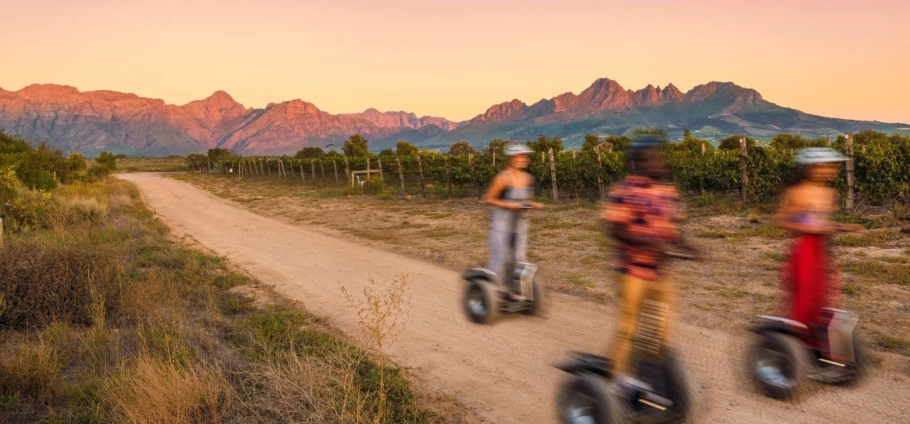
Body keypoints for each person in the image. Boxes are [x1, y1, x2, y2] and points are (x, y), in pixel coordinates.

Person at [601, 134, 682, 395]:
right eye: (651, 157)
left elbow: (672, 229)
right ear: (637, 162)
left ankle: (647, 374)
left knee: (662, 327)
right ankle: (617, 380)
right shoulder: (623, 191)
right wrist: (650, 244)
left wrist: (686, 245)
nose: (657, 161)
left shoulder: (667, 192)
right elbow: (615, 230)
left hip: (659, 272)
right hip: (631, 270)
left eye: (659, 156)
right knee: (629, 327)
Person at [775, 148, 862, 348]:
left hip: (822, 249)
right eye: (824, 166)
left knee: (824, 294)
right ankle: (796, 341)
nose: (829, 170)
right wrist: (809, 227)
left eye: (831, 167)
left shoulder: (830, 193)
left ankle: (817, 342)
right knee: (804, 294)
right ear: (810, 168)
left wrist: (841, 227)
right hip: (803, 248)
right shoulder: (796, 192)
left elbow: (824, 222)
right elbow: (782, 220)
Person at [483, 144, 544, 300]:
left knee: (519, 258)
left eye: (524, 157)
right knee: (501, 258)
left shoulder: (528, 178)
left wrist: (532, 204)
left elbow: (524, 200)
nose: (522, 159)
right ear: (511, 159)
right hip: (501, 224)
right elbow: (488, 199)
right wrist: (509, 205)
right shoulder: (502, 178)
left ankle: (515, 290)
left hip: (520, 225)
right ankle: (493, 290)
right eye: (518, 156)